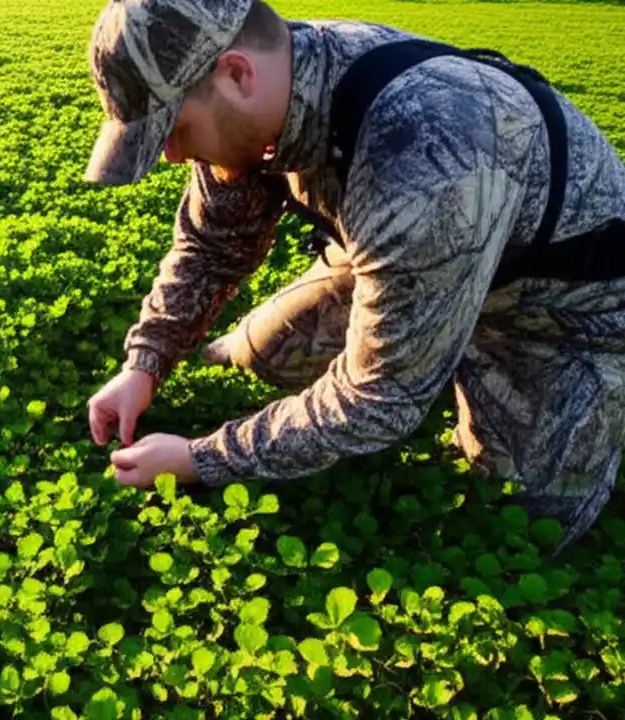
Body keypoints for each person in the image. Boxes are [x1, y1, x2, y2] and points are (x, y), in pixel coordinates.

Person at [82, 0, 625, 553]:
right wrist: (144, 363)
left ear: (238, 74)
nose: (172, 156)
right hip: (411, 254)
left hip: (552, 317)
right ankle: (425, 346)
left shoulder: (425, 148)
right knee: (256, 358)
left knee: (509, 532)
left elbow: (377, 399)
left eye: (174, 128)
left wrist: (201, 459)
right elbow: (212, 243)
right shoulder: (271, 88)